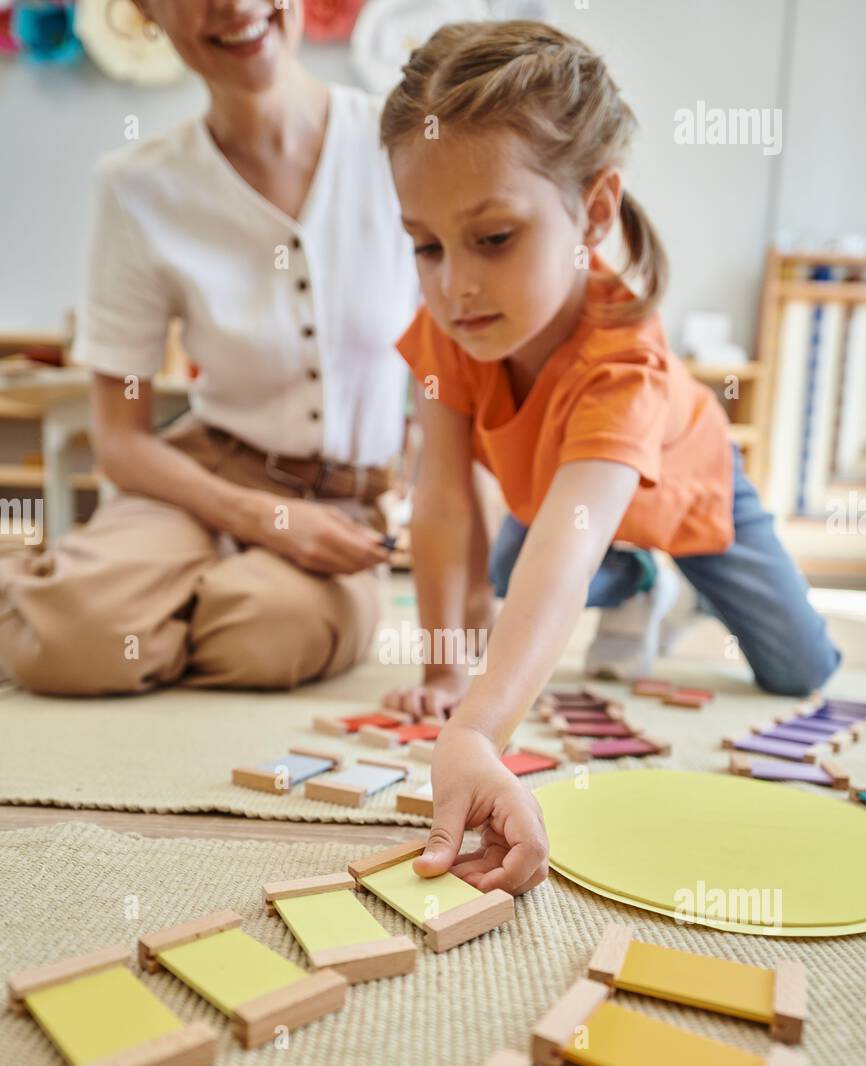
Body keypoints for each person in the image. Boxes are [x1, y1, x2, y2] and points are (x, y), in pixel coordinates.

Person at [379, 19, 840, 894]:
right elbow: (440, 503)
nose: (454, 286)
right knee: (525, 583)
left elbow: (564, 556)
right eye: (427, 246)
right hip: (566, 507)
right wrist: (446, 670)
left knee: (798, 670)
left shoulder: (624, 361)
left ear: (592, 210)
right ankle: (638, 582)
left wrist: (479, 731)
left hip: (689, 493)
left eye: (493, 238)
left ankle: (670, 576)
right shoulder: (446, 335)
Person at [0, 0, 418, 695]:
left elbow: (471, 377)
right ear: (146, 11)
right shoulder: (137, 185)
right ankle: (81, 598)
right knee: (64, 642)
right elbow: (121, 440)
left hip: (348, 506)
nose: (233, 5)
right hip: (203, 481)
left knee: (270, 632)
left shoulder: (402, 148)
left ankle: (138, 605)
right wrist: (260, 519)